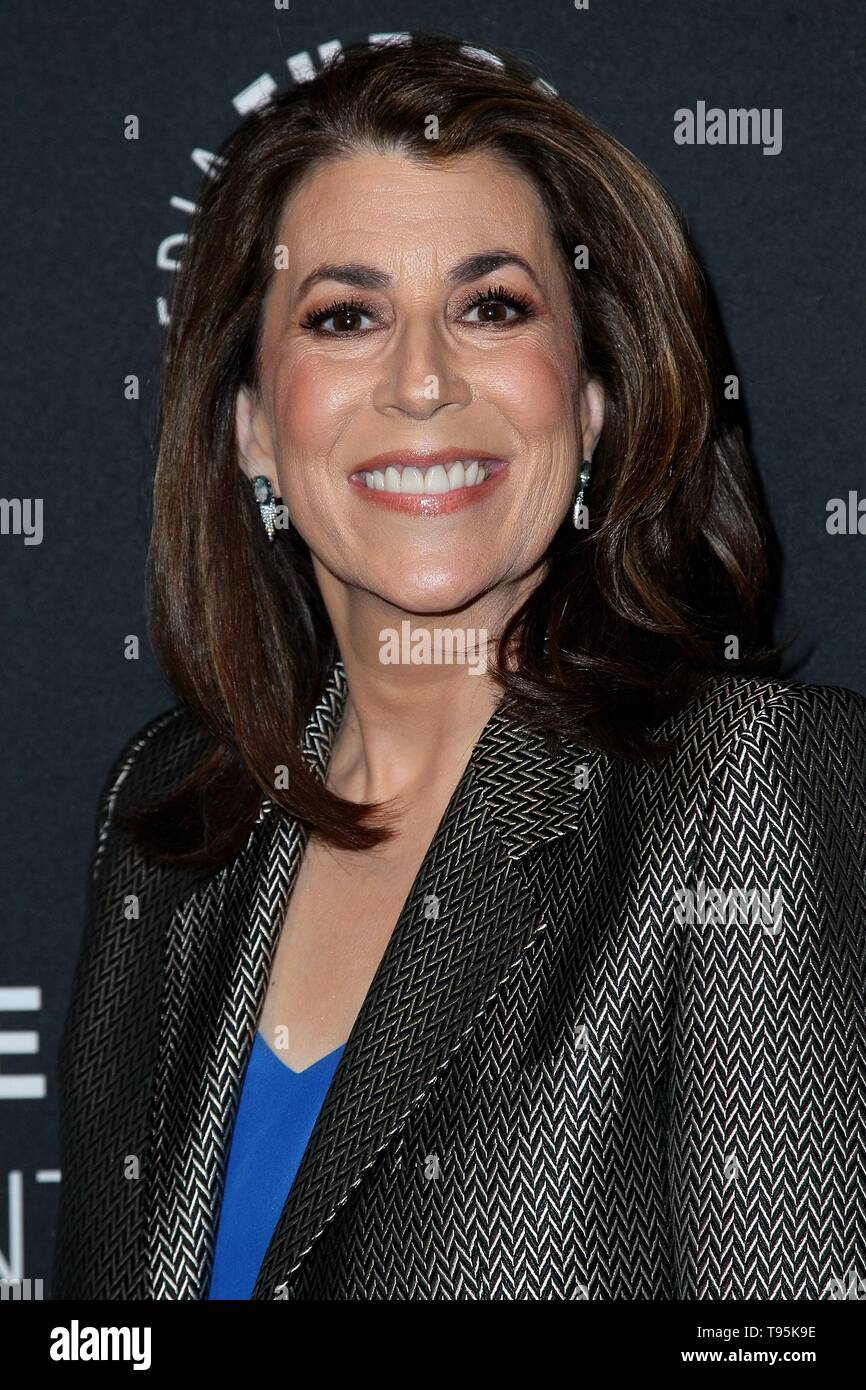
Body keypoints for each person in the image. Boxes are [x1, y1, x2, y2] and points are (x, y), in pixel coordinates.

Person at [51, 33, 866, 1301]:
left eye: (492, 307)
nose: (421, 379)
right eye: (344, 315)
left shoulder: (741, 789)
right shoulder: (170, 817)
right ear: (253, 429)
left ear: (591, 402)